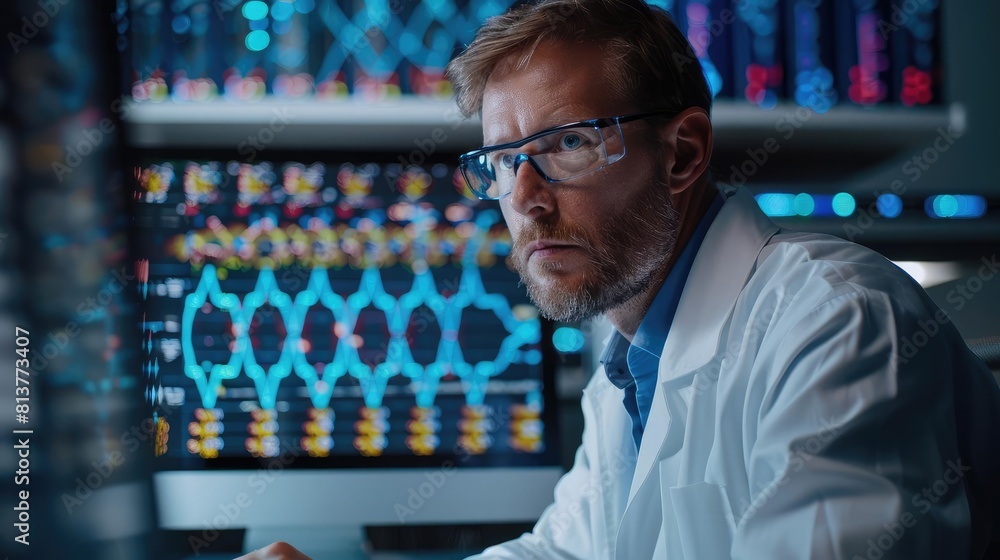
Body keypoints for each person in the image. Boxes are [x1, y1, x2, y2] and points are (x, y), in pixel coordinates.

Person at [239, 1, 1000, 559]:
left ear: (682, 153)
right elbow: (566, 553)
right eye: (502, 163)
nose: (525, 199)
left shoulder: (835, 323)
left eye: (566, 143)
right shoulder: (634, 357)